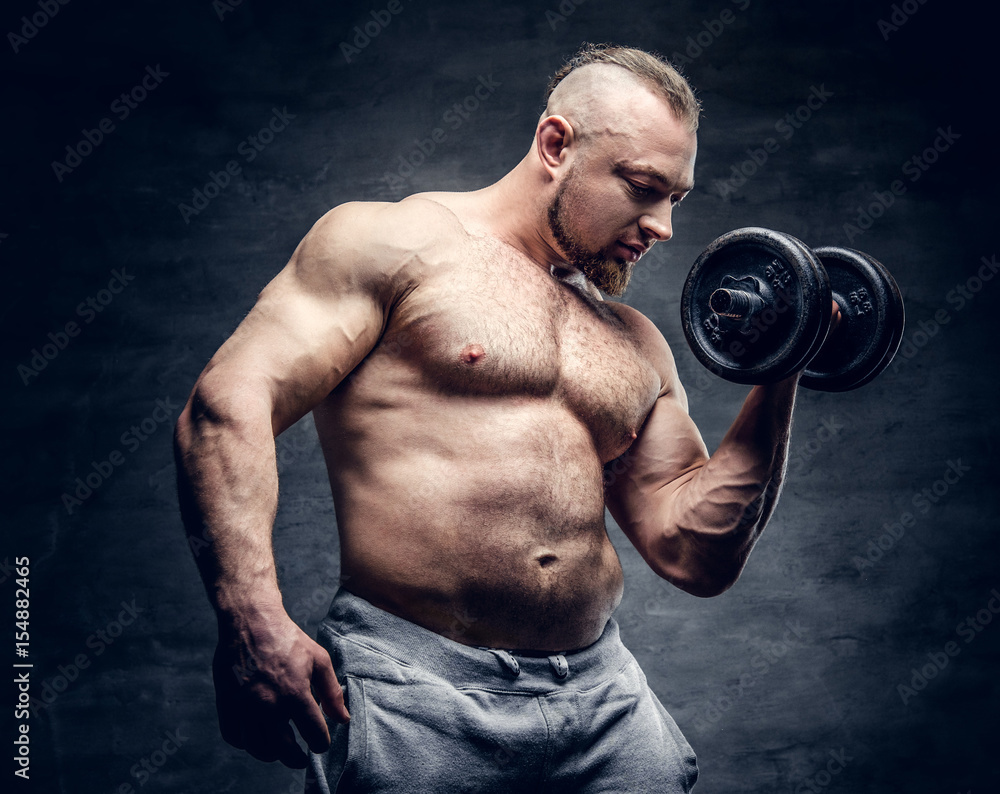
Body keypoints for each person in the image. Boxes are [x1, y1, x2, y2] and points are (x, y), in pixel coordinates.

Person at [174, 43, 800, 793]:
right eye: (642, 187)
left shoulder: (634, 342)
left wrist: (785, 363)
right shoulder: (395, 244)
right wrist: (252, 619)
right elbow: (226, 404)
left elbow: (694, 551)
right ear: (557, 144)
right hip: (416, 693)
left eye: (677, 198)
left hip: (601, 703)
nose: (662, 224)